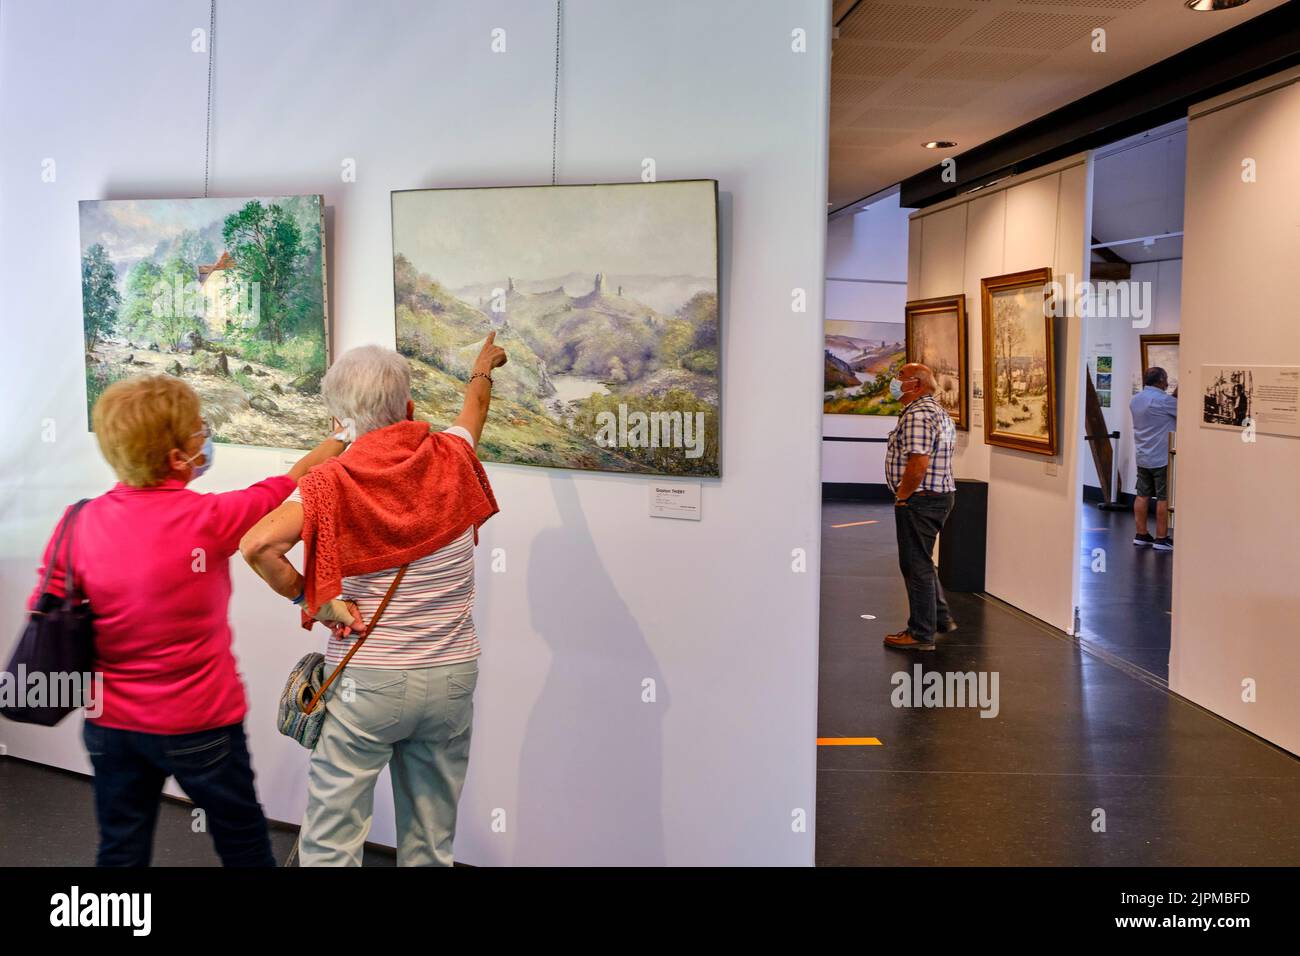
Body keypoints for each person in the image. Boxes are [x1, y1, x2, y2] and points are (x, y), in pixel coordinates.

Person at [26, 374, 345, 866]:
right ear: (177, 458)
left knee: (120, 849)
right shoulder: (211, 518)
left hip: (112, 727)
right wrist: (340, 437)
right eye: (200, 431)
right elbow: (293, 479)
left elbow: (47, 601)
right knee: (242, 841)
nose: (206, 438)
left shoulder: (77, 521)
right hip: (202, 725)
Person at [240, 336, 507, 866]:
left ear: (342, 421)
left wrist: (310, 599)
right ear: (408, 407)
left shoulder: (327, 485)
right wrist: (481, 369)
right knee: (431, 842)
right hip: (451, 674)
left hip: (369, 678)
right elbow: (473, 410)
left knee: (333, 841)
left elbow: (256, 545)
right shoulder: (454, 454)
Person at [882, 363, 958, 652]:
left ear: (915, 384)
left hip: (921, 499)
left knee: (915, 565)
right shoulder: (936, 411)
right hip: (936, 497)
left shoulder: (917, 415)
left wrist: (903, 496)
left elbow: (918, 463)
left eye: (899, 376)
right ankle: (939, 617)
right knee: (922, 561)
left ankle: (920, 633)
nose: (894, 381)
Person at [1129, 366, 1177, 552]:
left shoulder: (1136, 399)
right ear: (1160, 381)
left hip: (1143, 455)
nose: (1167, 383)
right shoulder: (1163, 400)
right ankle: (1161, 537)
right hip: (1162, 456)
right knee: (1163, 497)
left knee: (1142, 495)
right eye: (1165, 379)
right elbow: (1181, 409)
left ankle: (1141, 534)